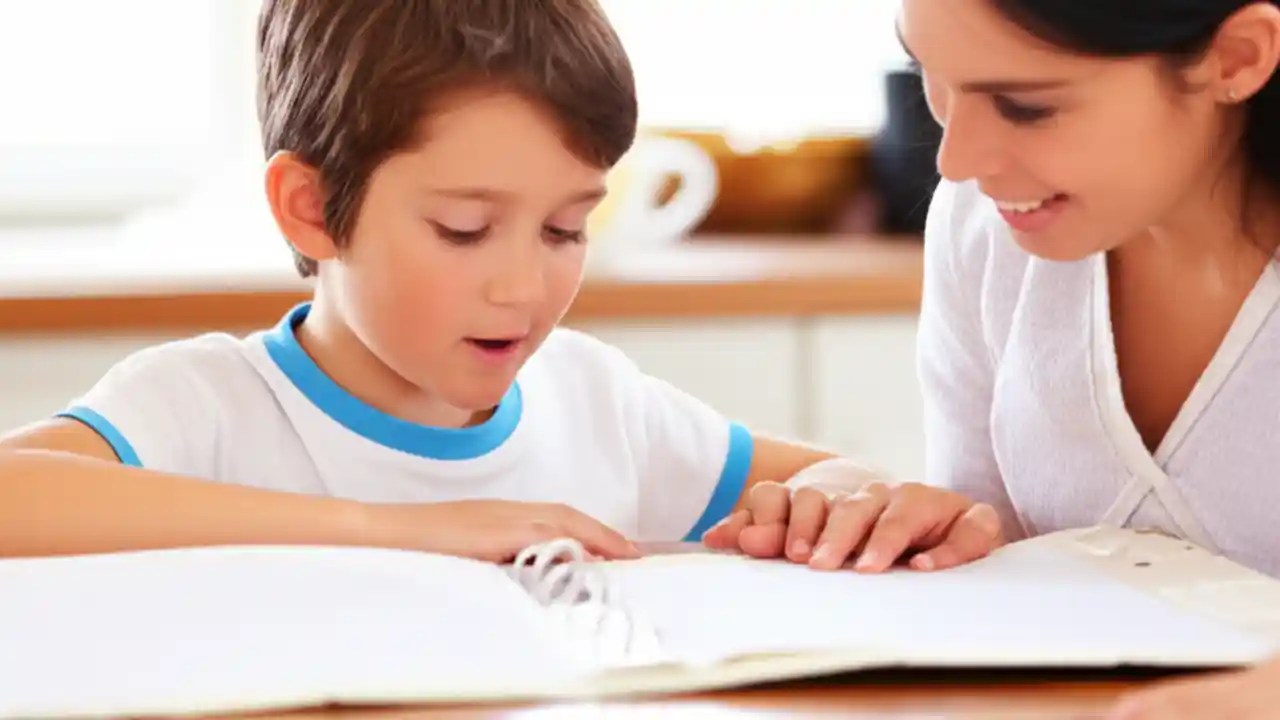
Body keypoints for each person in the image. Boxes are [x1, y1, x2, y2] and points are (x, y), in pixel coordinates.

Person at [0, 0, 1002, 573]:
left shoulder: (598, 403)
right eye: (464, 229)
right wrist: (398, 534)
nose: (525, 286)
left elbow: (832, 475)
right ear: (311, 210)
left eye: (568, 227)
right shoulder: (208, 408)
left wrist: (835, 502)